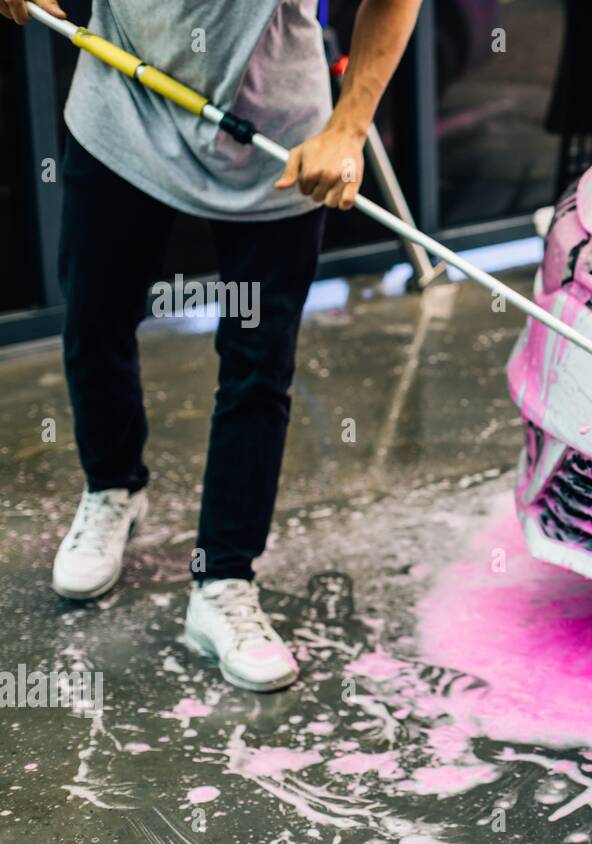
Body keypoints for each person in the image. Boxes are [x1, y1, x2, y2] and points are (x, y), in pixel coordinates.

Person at [2, 0, 422, 691]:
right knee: (95, 318)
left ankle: (222, 581)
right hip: (122, 99)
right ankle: (113, 488)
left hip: (275, 136)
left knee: (259, 365)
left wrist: (348, 129)